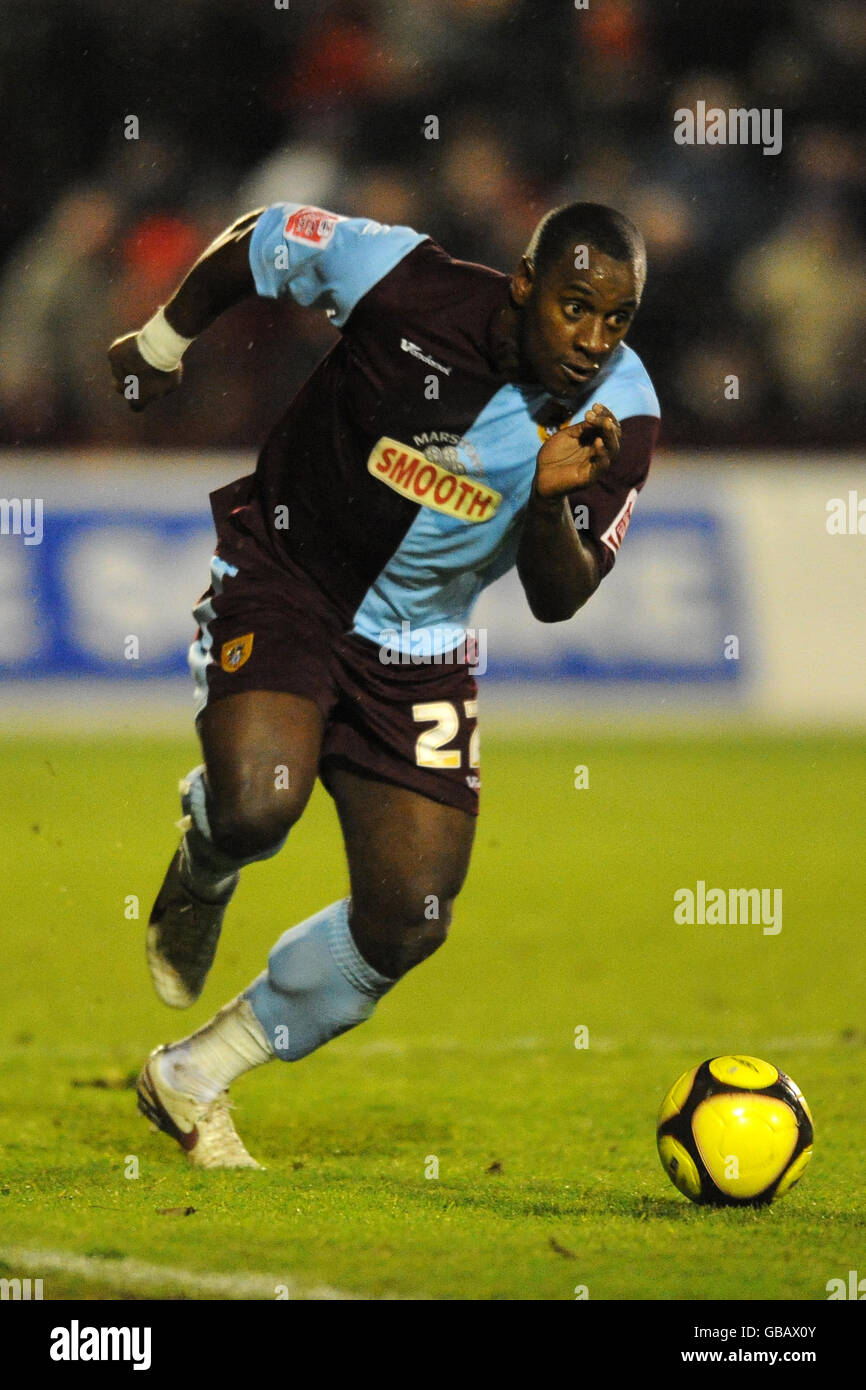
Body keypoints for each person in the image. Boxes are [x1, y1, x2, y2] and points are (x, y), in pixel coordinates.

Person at [108, 198, 660, 1168]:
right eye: (574, 306)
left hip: (422, 645)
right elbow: (263, 240)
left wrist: (549, 499)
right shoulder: (401, 278)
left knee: (410, 917)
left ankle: (193, 1074)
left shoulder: (621, 411)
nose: (590, 340)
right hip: (290, 575)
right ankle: (208, 852)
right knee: (258, 806)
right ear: (524, 283)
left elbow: (557, 597)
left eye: (614, 321)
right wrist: (162, 341)